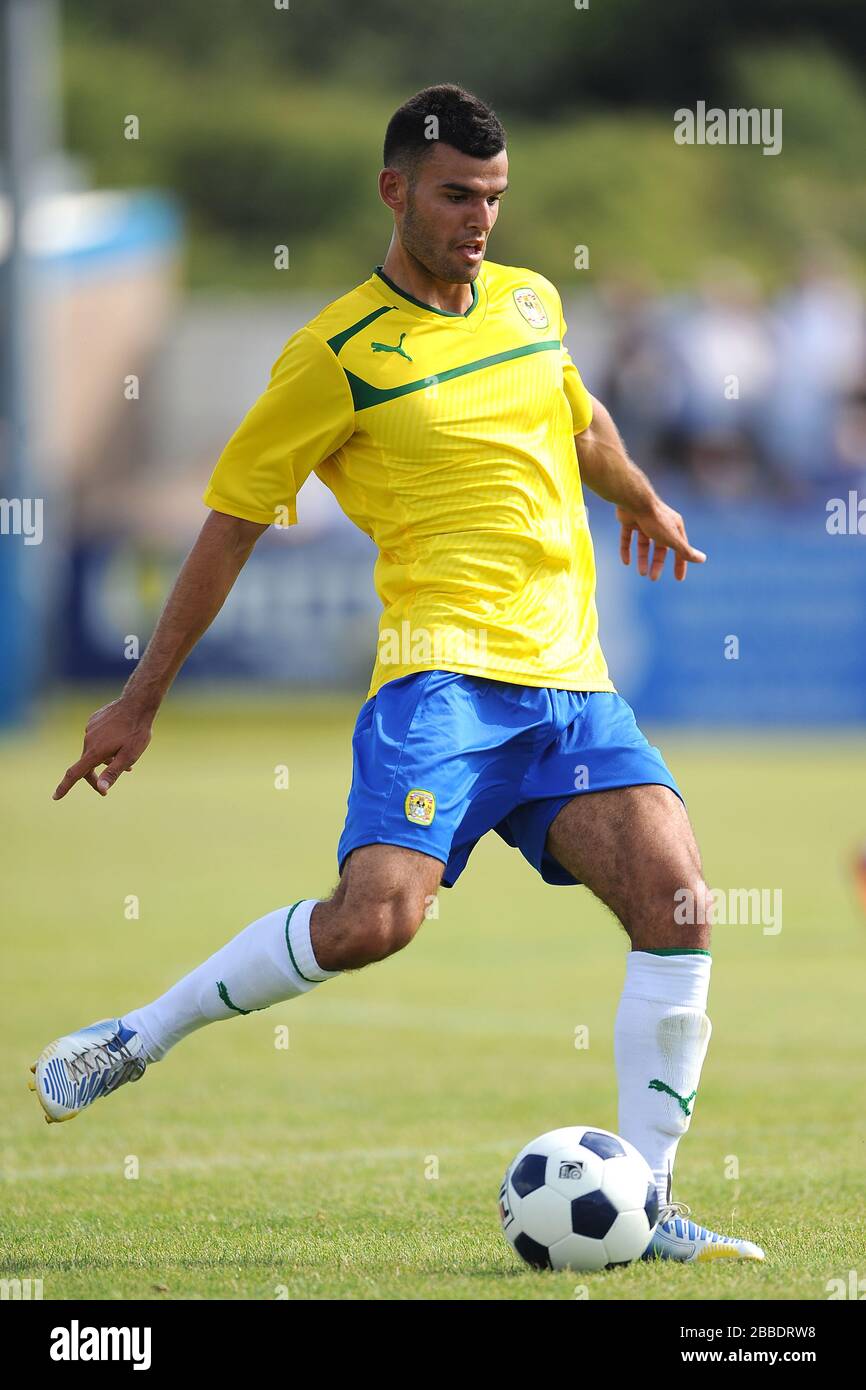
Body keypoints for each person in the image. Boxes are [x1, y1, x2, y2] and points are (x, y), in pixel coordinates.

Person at [32, 85, 763, 1264]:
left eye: (493, 197)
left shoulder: (529, 299)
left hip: (570, 681)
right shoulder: (335, 354)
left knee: (678, 903)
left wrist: (644, 498)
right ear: (394, 191)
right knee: (377, 921)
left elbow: (576, 422)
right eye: (456, 195)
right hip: (441, 682)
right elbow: (229, 523)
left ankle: (650, 1201)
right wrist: (140, 696)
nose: (479, 217)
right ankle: (139, 1033)